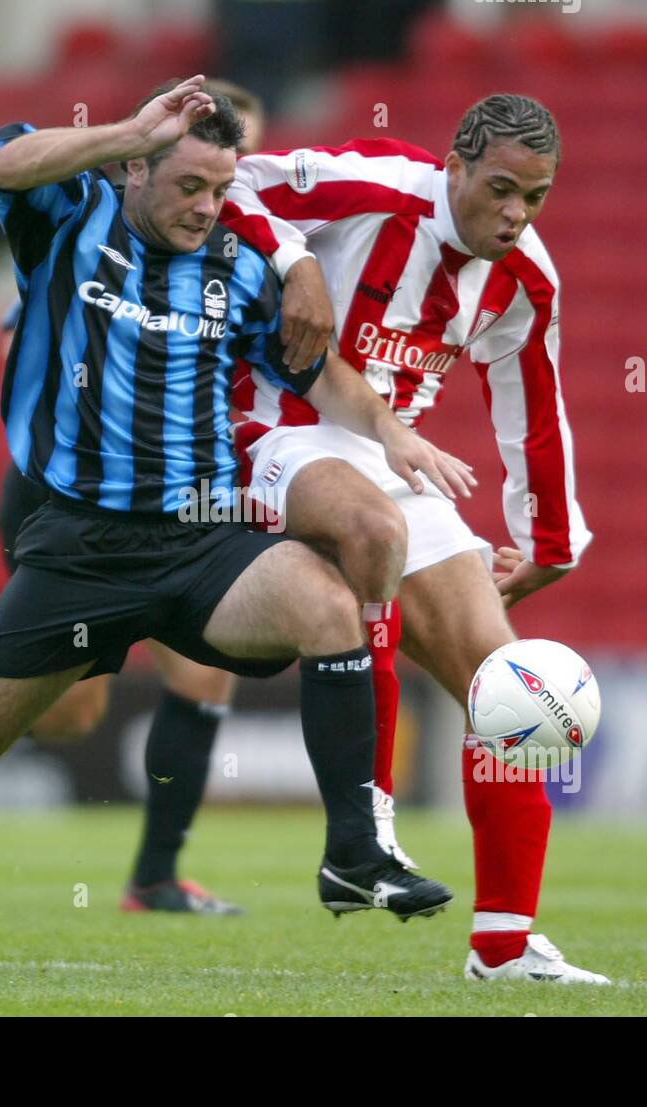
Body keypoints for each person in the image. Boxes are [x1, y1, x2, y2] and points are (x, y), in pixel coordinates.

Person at [0, 76, 474, 963]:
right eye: (189, 187)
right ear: (133, 172)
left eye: (222, 191)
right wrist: (122, 132)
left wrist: (391, 432)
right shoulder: (69, 214)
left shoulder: (240, 263)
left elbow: (317, 377)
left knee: (330, 607)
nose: (207, 208)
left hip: (201, 537)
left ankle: (350, 851)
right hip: (79, 550)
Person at [218, 93, 610, 983]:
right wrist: (293, 262)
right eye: (501, 188)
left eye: (536, 197)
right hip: (275, 430)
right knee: (374, 524)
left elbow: (533, 412)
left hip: (400, 459)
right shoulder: (373, 185)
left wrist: (549, 539)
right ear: (456, 167)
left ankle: (504, 946)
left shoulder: (527, 279)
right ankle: (368, 834)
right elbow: (236, 176)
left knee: (511, 689)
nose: (515, 214)